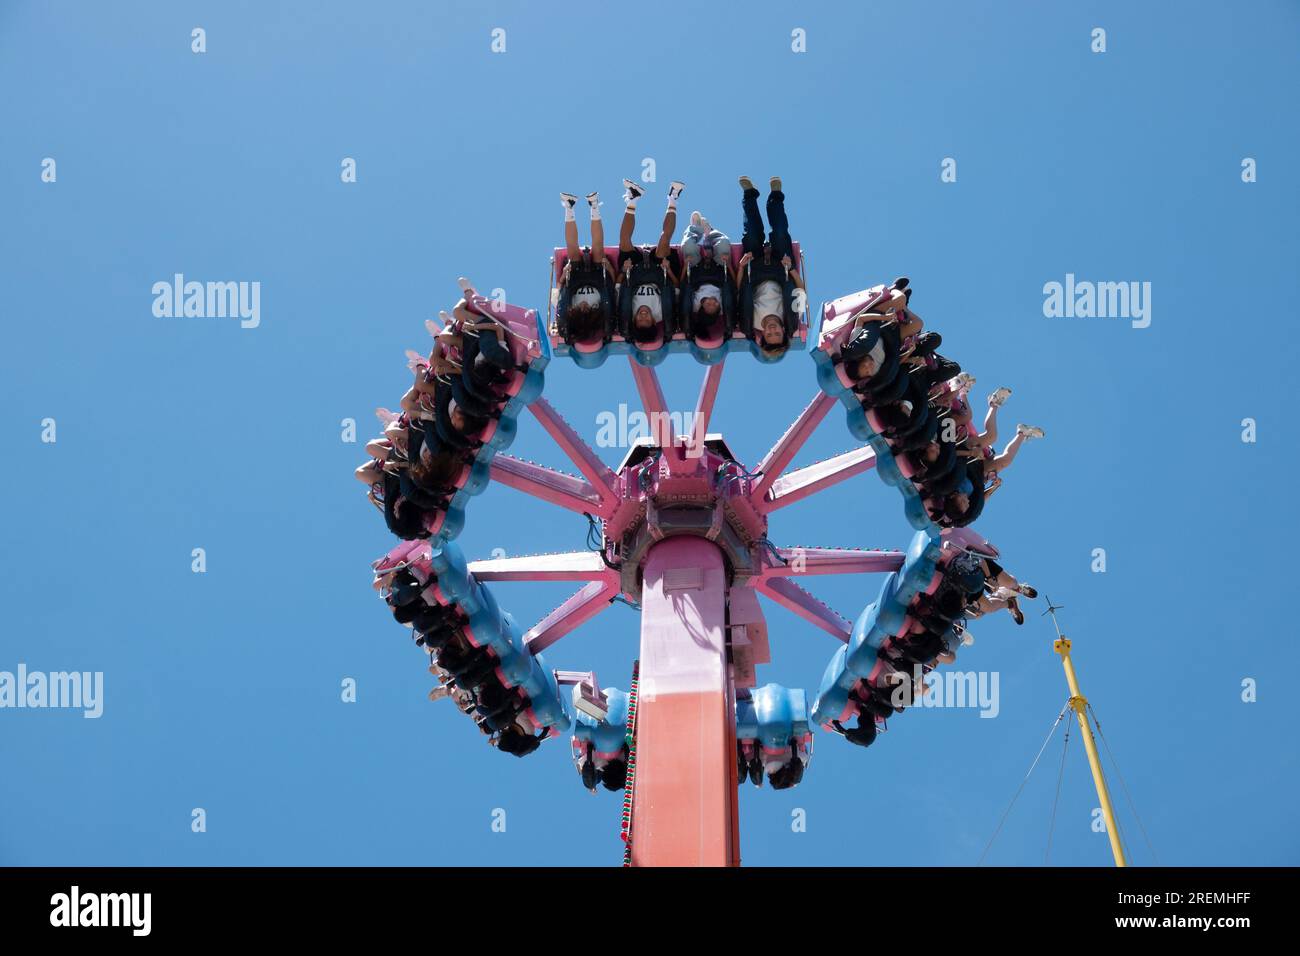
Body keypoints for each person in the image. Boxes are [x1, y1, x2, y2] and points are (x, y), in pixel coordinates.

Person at [735, 175, 805, 355]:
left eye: (769, 334)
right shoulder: (791, 318)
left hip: (754, 272)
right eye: (777, 333)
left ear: (763, 335)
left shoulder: (750, 322)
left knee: (752, 234)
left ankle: (749, 194)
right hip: (782, 269)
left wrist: (741, 267)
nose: (773, 329)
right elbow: (801, 291)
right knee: (780, 233)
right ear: (783, 331)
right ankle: (775, 197)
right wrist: (792, 269)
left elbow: (739, 292)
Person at [618, 179, 684, 345]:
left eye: (640, 319)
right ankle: (673, 198)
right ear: (654, 321)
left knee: (624, 242)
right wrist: (668, 270)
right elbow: (676, 288)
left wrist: (624, 270)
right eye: (647, 320)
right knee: (664, 241)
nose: (643, 315)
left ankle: (633, 198)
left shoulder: (628, 312)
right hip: (659, 272)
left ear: (634, 321)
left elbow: (618, 287)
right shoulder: (663, 313)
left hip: (634, 272)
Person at [558, 192, 617, 344]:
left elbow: (561, 290)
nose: (583, 307)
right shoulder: (600, 311)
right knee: (598, 250)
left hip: (576, 278)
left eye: (581, 310)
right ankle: (594, 206)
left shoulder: (569, 312)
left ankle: (569, 207)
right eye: (586, 310)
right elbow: (612, 289)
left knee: (572, 251)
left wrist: (564, 274)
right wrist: (609, 269)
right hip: (598, 277)